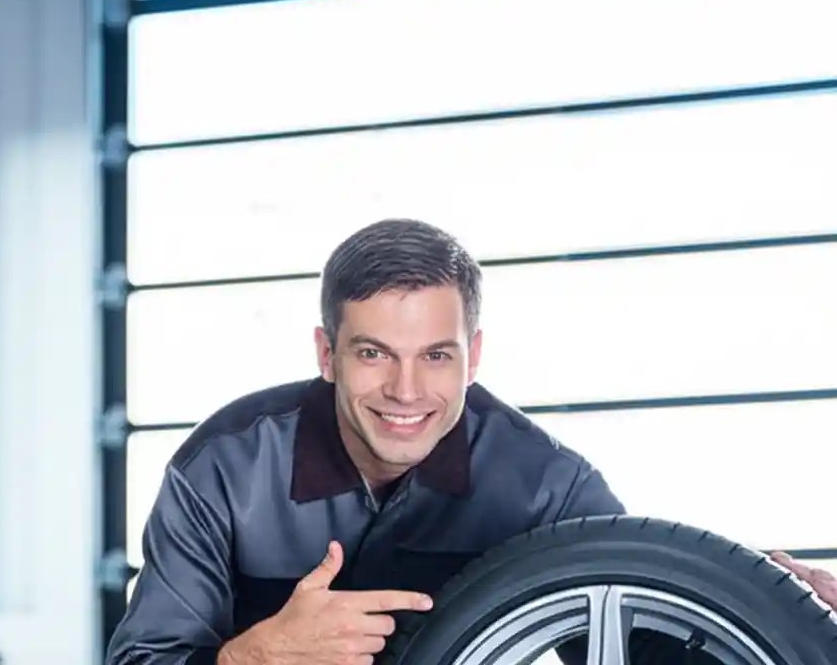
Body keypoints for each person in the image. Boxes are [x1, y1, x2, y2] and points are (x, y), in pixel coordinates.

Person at [106, 218, 836, 664]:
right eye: (373, 354)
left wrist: (789, 622)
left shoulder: (545, 486)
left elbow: (649, 650)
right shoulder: (224, 468)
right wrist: (255, 658)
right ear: (326, 355)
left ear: (474, 356)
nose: (405, 390)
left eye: (436, 355)